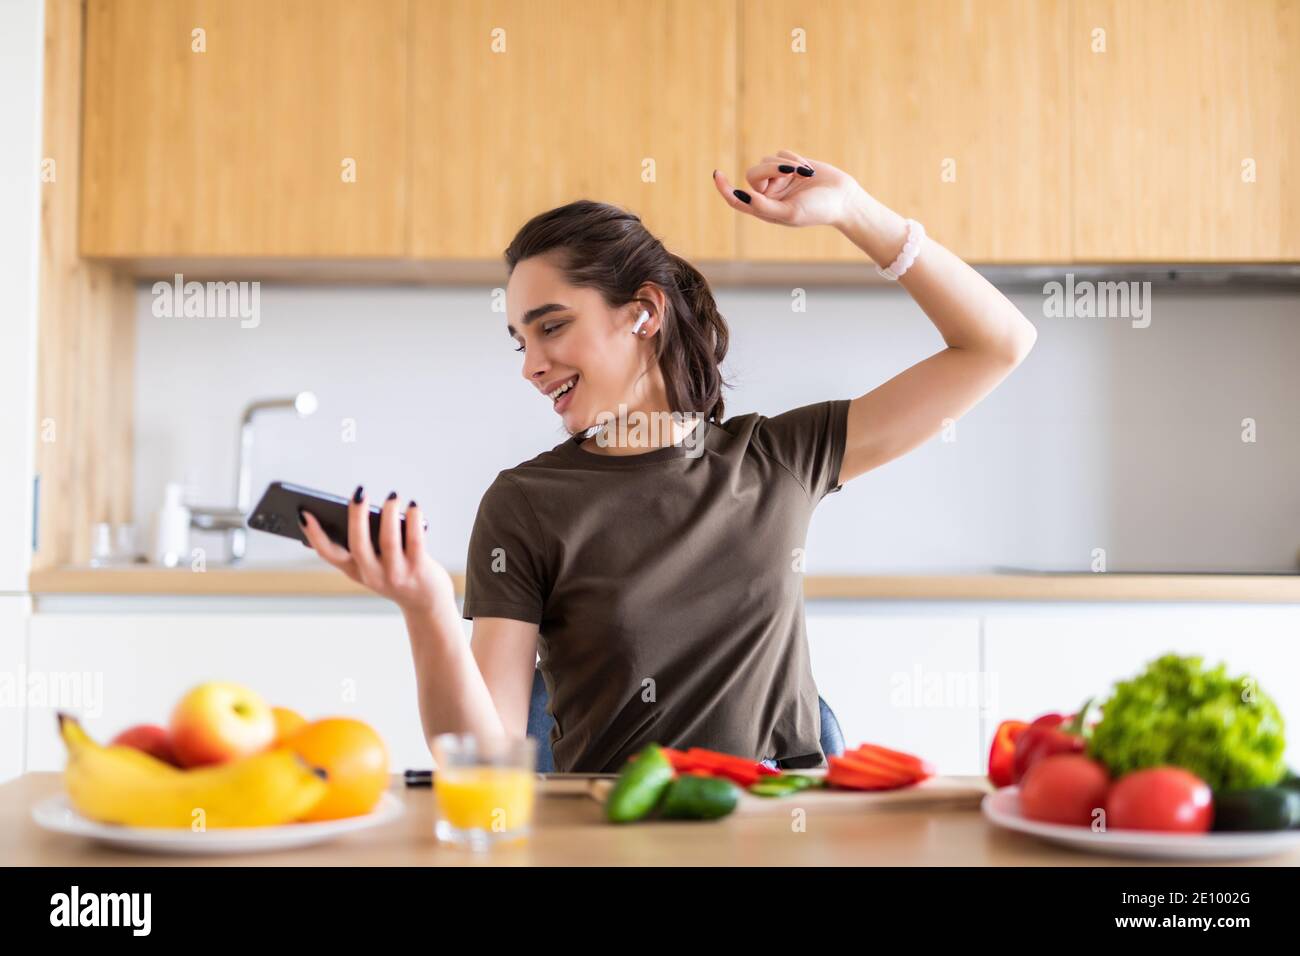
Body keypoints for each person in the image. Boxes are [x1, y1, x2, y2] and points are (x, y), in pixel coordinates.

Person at [300, 149, 1038, 773]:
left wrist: (856, 213)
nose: (531, 365)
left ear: (643, 312)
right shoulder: (525, 503)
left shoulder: (777, 459)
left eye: (551, 327)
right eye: (519, 341)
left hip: (783, 831)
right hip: (610, 837)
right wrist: (426, 605)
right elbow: (486, 755)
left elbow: (996, 344)